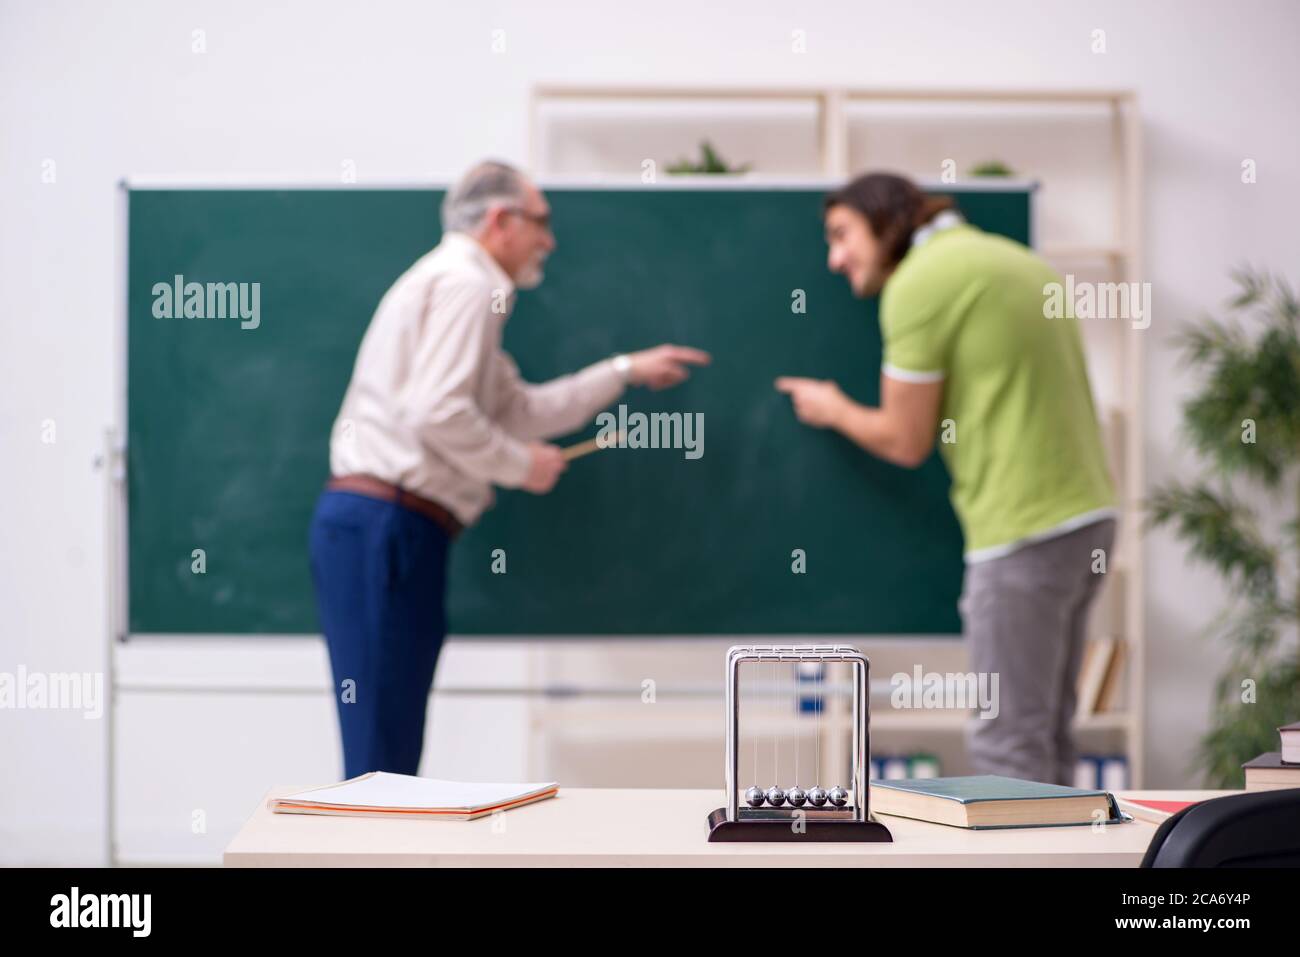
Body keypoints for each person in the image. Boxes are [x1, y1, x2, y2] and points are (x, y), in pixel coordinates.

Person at [310, 160, 710, 779]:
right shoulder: (470, 286)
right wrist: (520, 467)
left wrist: (625, 370)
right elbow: (436, 410)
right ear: (500, 220)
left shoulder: (455, 284)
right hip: (388, 526)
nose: (549, 240)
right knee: (381, 760)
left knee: (385, 748)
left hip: (384, 526)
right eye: (541, 222)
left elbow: (520, 409)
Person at [776, 171, 1115, 785]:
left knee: (1007, 744)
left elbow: (905, 440)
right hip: (1088, 520)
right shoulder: (1016, 261)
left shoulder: (920, 283)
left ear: (886, 223)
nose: (834, 258)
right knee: (1050, 733)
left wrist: (832, 408)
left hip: (1022, 532)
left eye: (842, 235)